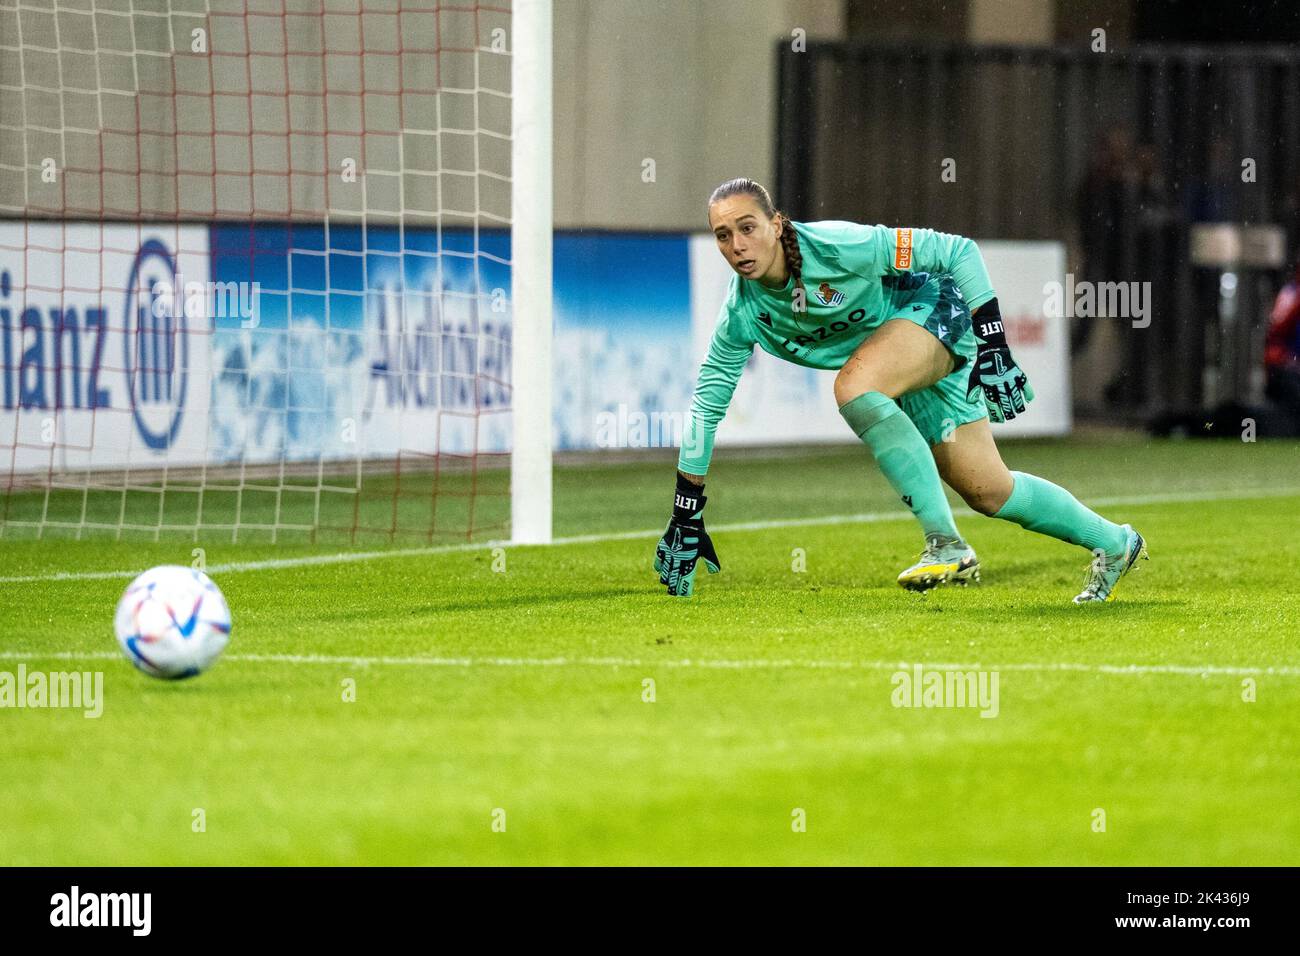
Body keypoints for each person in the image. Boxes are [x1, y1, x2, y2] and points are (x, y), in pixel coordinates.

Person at [654, 178, 1149, 603]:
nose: (737, 244)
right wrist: (686, 508)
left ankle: (946, 545)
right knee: (989, 491)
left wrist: (994, 339)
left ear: (776, 224)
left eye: (747, 227)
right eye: (723, 235)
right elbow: (706, 406)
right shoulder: (742, 314)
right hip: (900, 358)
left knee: (854, 386)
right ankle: (1115, 541)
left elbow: (958, 251)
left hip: (937, 310)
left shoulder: (839, 246)